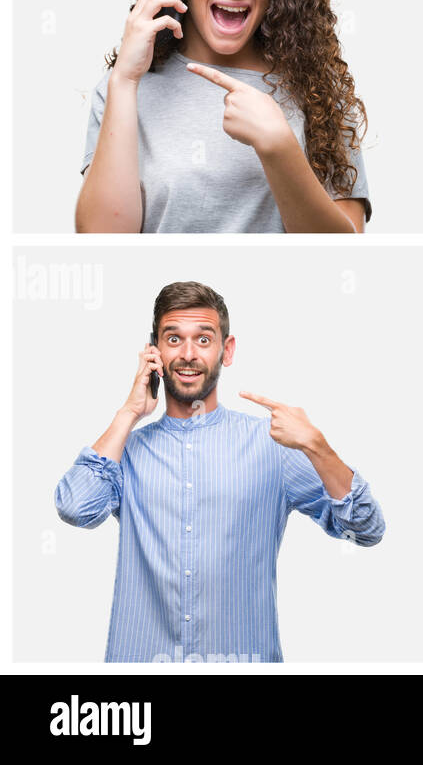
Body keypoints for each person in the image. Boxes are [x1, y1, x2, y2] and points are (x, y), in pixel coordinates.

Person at [55, 281, 385, 663]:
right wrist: (128, 413)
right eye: (174, 339)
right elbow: (76, 508)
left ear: (226, 351)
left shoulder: (273, 445)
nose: (189, 354)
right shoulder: (125, 452)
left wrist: (317, 447)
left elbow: (366, 529)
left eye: (204, 339)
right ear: (155, 352)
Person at [77, 0, 371, 233]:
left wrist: (280, 149)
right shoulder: (123, 89)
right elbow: (103, 241)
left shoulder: (320, 94)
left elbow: (345, 258)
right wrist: (123, 81)